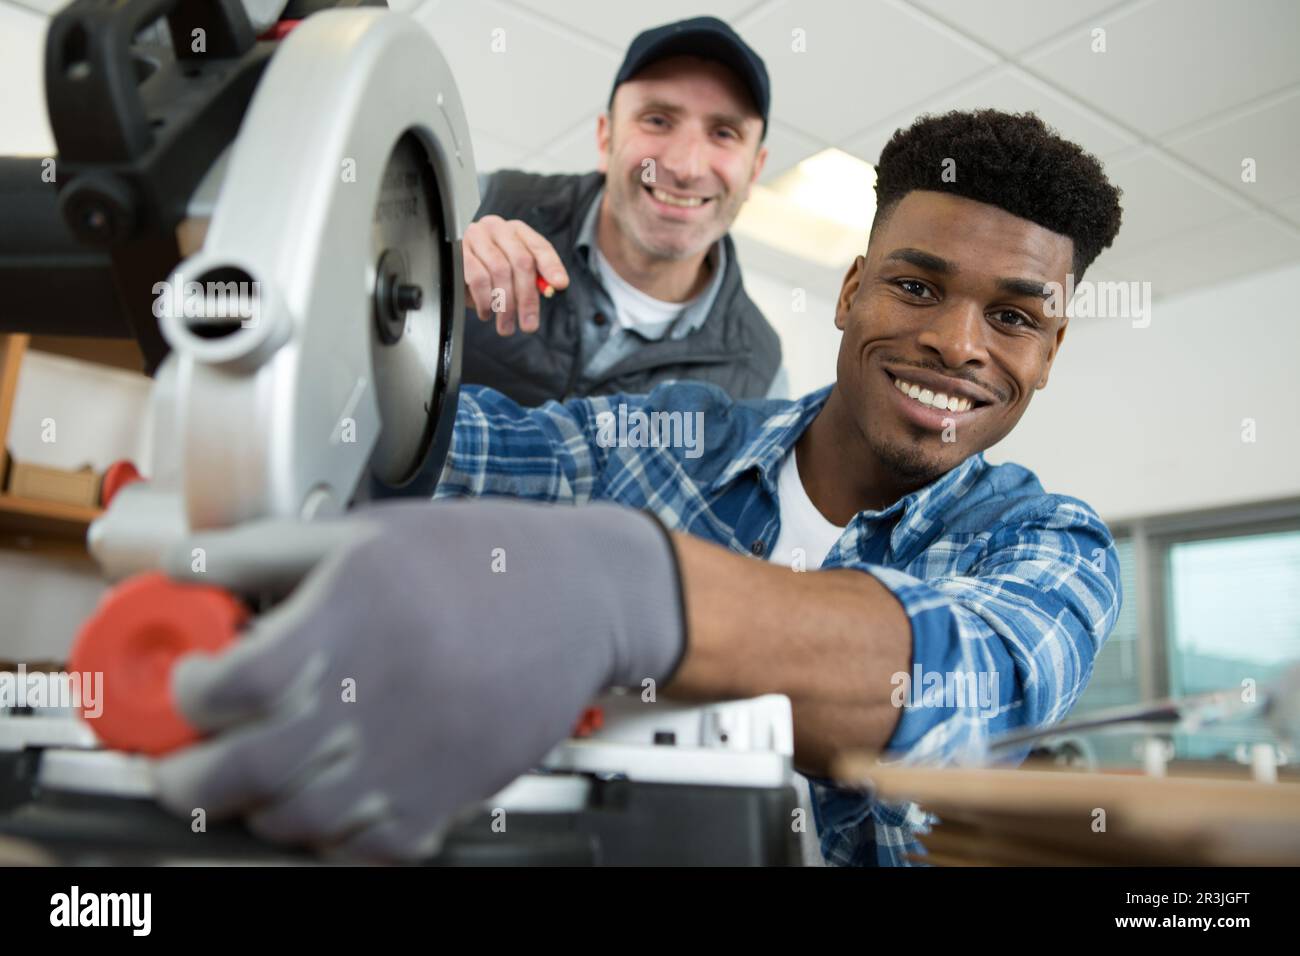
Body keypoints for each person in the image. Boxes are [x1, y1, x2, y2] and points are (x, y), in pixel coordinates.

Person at [152, 109, 1125, 867]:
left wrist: (629, 585)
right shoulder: (676, 435)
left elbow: (966, 674)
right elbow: (407, 441)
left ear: (1050, 350)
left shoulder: (1049, 546)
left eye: (1011, 316)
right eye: (916, 288)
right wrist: (399, 293)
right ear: (851, 289)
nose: (957, 343)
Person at [459, 17, 782, 404]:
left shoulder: (762, 374)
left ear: (754, 170)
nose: (686, 167)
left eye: (724, 133)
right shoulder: (480, 201)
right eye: (658, 120)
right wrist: (430, 265)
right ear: (605, 136)